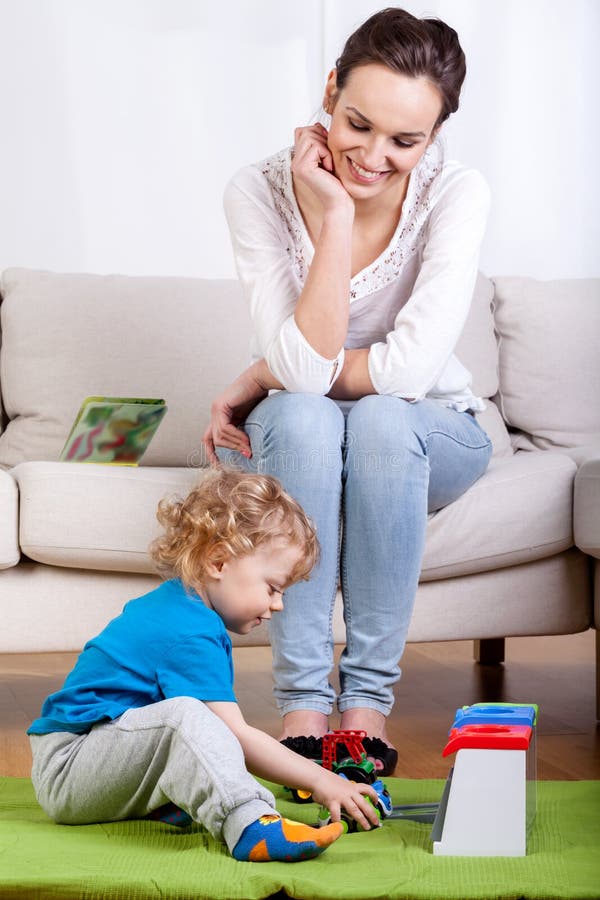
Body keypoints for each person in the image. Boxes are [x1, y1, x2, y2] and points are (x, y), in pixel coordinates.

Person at [202, 7, 493, 775]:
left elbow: (405, 377)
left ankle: (365, 704)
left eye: (407, 141)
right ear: (329, 90)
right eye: (357, 124)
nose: (371, 156)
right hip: (301, 435)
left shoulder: (456, 193)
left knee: (382, 421)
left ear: (435, 137)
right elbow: (303, 380)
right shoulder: (257, 190)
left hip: (431, 431)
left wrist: (265, 370)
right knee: (302, 413)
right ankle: (303, 705)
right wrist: (334, 215)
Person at [27, 469, 381, 863]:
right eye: (272, 587)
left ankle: (181, 797)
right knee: (188, 717)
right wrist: (320, 779)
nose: (278, 604)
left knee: (188, 722)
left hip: (93, 759)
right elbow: (235, 738)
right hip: (70, 770)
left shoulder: (182, 606)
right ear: (218, 562)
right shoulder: (189, 632)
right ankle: (250, 824)